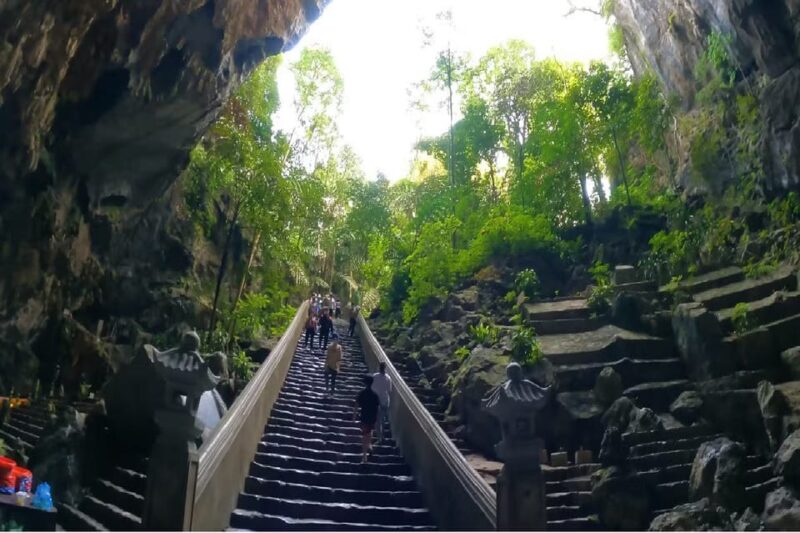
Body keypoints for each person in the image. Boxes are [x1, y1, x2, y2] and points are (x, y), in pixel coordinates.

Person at [353, 375, 380, 463]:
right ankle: (370, 447)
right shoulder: (375, 395)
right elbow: (377, 408)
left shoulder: (362, 393)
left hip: (364, 417)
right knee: (368, 433)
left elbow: (356, 405)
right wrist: (377, 419)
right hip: (372, 417)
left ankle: (364, 456)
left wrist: (354, 415)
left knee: (365, 435)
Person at [371, 362, 392, 443]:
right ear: (385, 368)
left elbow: (372, 388)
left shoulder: (375, 376)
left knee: (377, 420)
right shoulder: (388, 378)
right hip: (385, 400)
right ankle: (383, 435)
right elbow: (389, 390)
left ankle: (380, 437)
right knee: (383, 419)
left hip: (376, 401)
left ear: (379, 367)